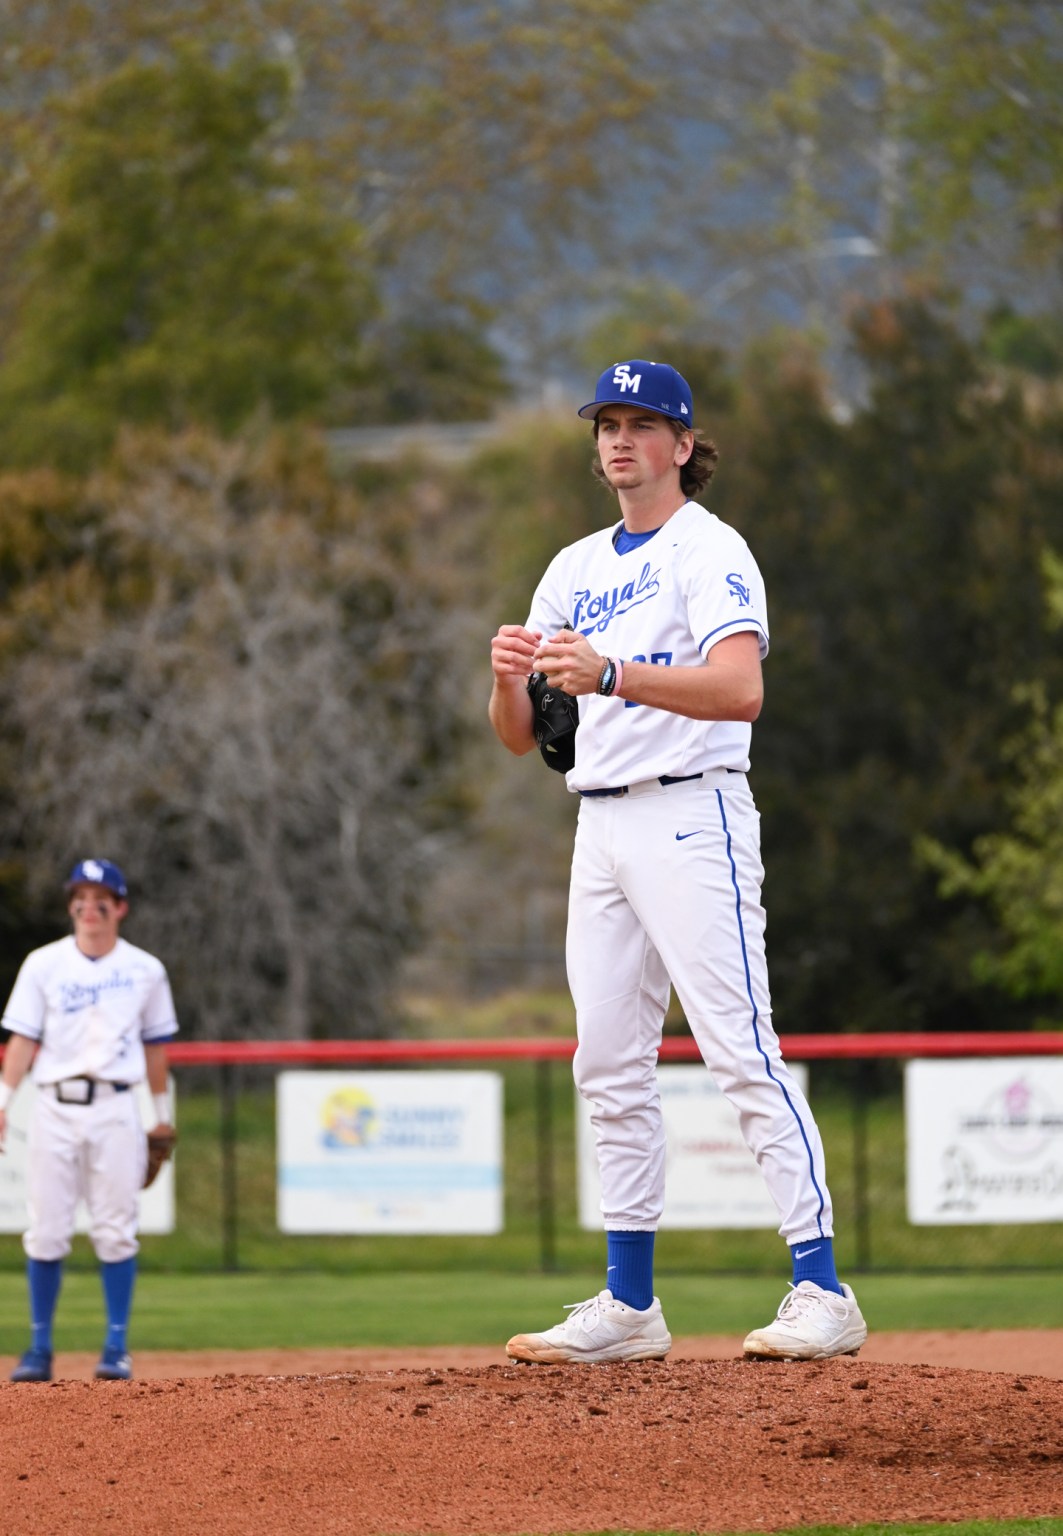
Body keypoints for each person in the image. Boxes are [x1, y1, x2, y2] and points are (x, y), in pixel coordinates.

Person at [489, 359, 867, 1364]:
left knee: (739, 1049)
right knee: (606, 1064)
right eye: (606, 423)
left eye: (641, 423)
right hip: (600, 823)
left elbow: (740, 689)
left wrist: (611, 670)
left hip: (691, 811)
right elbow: (525, 737)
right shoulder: (572, 566)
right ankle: (628, 1306)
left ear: (684, 445)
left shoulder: (709, 549)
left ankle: (821, 1287)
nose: (618, 439)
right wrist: (506, 682)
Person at [0, 858, 179, 1382]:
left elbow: (155, 1049)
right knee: (47, 1229)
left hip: (116, 1107)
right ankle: (38, 1350)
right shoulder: (43, 964)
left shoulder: (145, 969)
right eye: (81, 896)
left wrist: (161, 1117)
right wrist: (3, 1101)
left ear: (120, 907)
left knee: (116, 1230)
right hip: (53, 1105)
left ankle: (116, 1347)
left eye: (102, 898)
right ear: (71, 904)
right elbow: (22, 1041)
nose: (89, 906)